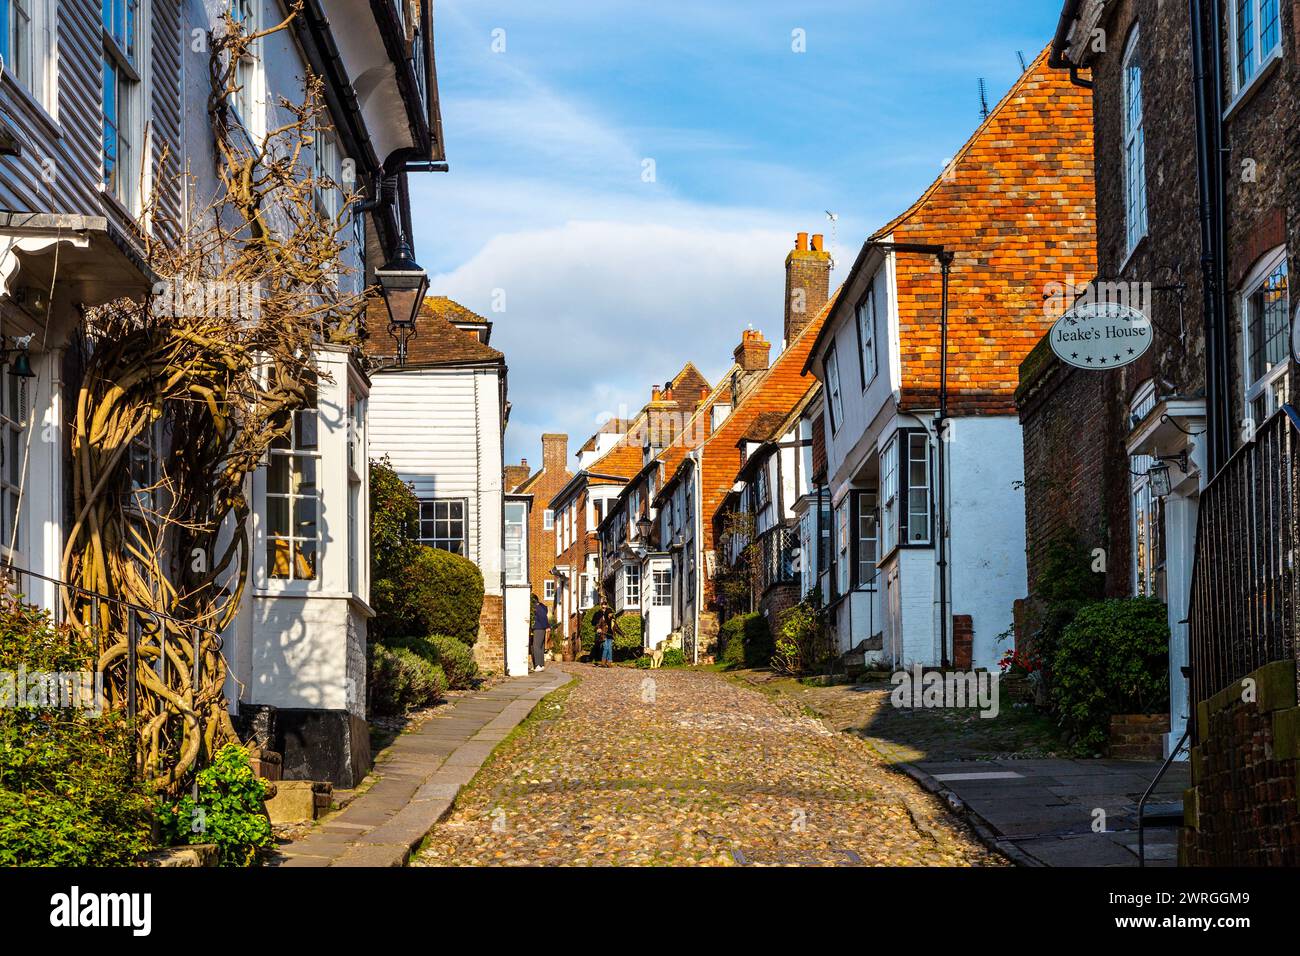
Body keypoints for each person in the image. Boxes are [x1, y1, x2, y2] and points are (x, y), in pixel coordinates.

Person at [592, 599, 622, 667]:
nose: (610, 615)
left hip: (611, 636)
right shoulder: (602, 618)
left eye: (611, 614)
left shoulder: (612, 620)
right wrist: (598, 629)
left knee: (610, 649)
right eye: (610, 613)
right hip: (604, 635)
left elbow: (616, 628)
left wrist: (622, 634)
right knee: (606, 648)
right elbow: (597, 625)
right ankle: (603, 662)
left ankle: (609, 662)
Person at [530, 594, 549, 672]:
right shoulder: (540, 607)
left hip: (539, 628)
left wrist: (547, 626)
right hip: (541, 628)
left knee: (536, 647)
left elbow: (543, 618)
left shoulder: (537, 608)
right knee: (540, 647)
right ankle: (541, 665)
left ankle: (538, 665)